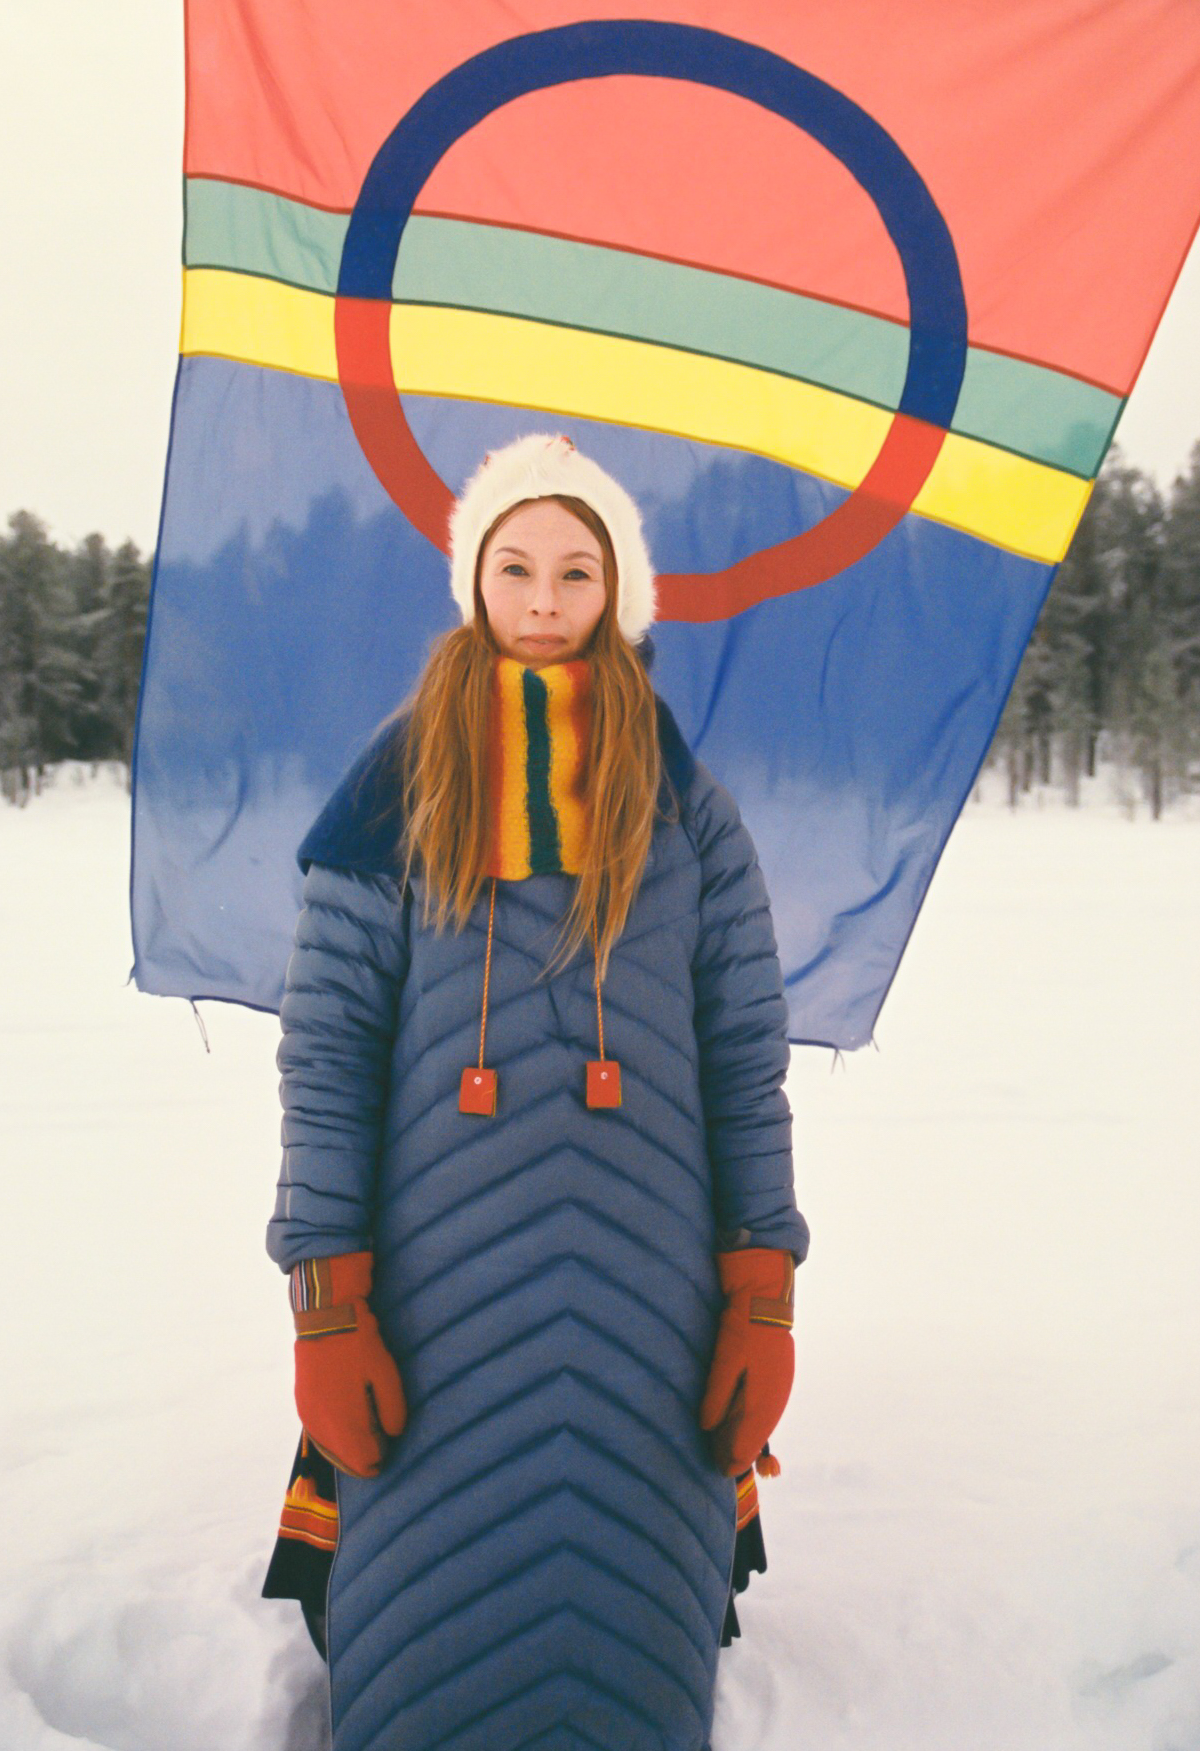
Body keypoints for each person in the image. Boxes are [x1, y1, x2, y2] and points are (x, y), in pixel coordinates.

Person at [261, 432, 810, 1751]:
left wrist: (763, 1288)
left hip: (650, 1306)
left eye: (577, 569)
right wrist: (327, 1303)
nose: (547, 598)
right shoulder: (393, 791)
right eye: (517, 566)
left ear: (618, 591)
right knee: (430, 1629)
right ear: (475, 583)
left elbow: (744, 1051)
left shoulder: (691, 813)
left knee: (632, 1627)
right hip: (435, 1305)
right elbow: (327, 1050)